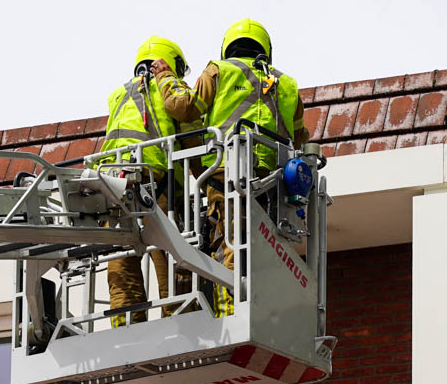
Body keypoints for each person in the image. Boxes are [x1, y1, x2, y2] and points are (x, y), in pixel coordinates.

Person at [171, 19, 307, 311]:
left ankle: (230, 314)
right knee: (265, 251)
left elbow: (188, 110)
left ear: (227, 47)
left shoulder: (219, 70)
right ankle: (262, 311)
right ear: (265, 49)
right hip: (273, 182)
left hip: (226, 172)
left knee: (229, 244)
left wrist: (166, 81)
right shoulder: (287, 85)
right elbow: (301, 137)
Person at [100, 35, 199, 326]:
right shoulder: (171, 86)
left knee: (121, 263)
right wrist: (210, 179)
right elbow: (193, 137)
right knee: (171, 261)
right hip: (155, 184)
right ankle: (181, 323)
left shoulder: (119, 93)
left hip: (112, 185)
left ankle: (126, 326)